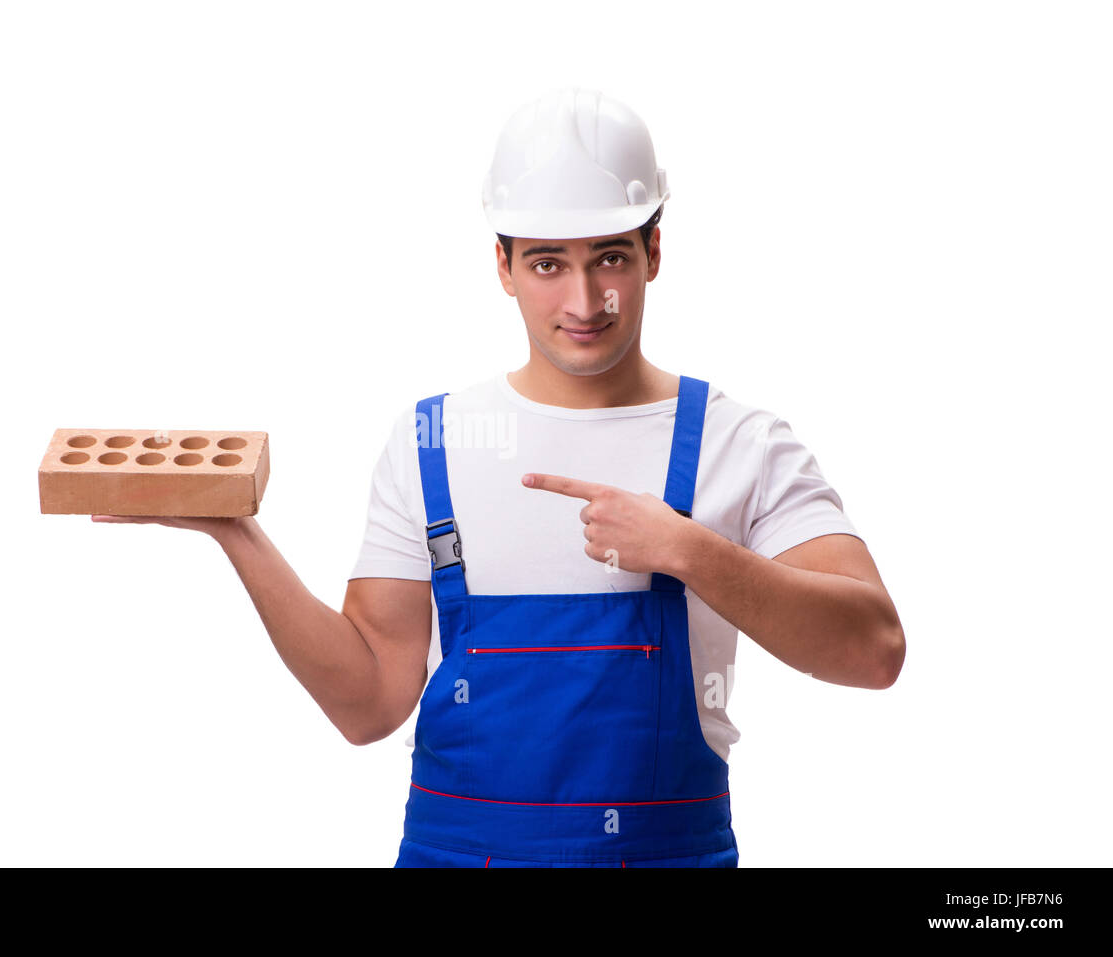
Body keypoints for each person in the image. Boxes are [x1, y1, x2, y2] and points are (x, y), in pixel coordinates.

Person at [94, 87, 906, 868]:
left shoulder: (743, 442)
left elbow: (874, 650)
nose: (585, 300)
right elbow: (371, 700)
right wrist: (235, 533)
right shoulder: (432, 442)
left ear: (655, 252)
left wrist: (690, 550)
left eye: (611, 258)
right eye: (549, 263)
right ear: (504, 265)